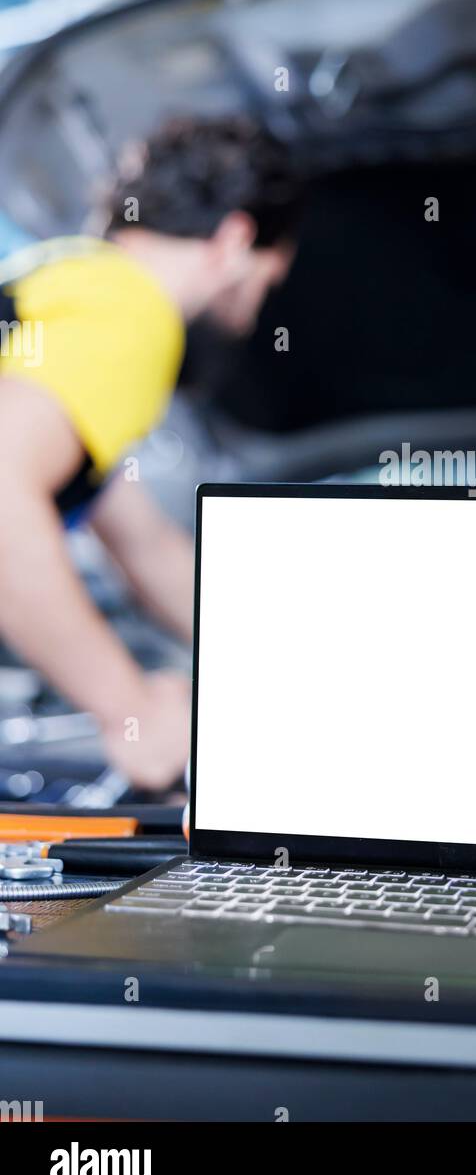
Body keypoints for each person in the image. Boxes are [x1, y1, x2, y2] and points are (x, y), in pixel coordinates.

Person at [0, 116, 300, 789]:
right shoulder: (131, 313)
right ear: (236, 239)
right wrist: (128, 706)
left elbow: (145, 548)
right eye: (267, 282)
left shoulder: (66, 279)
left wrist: (289, 669)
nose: (256, 309)